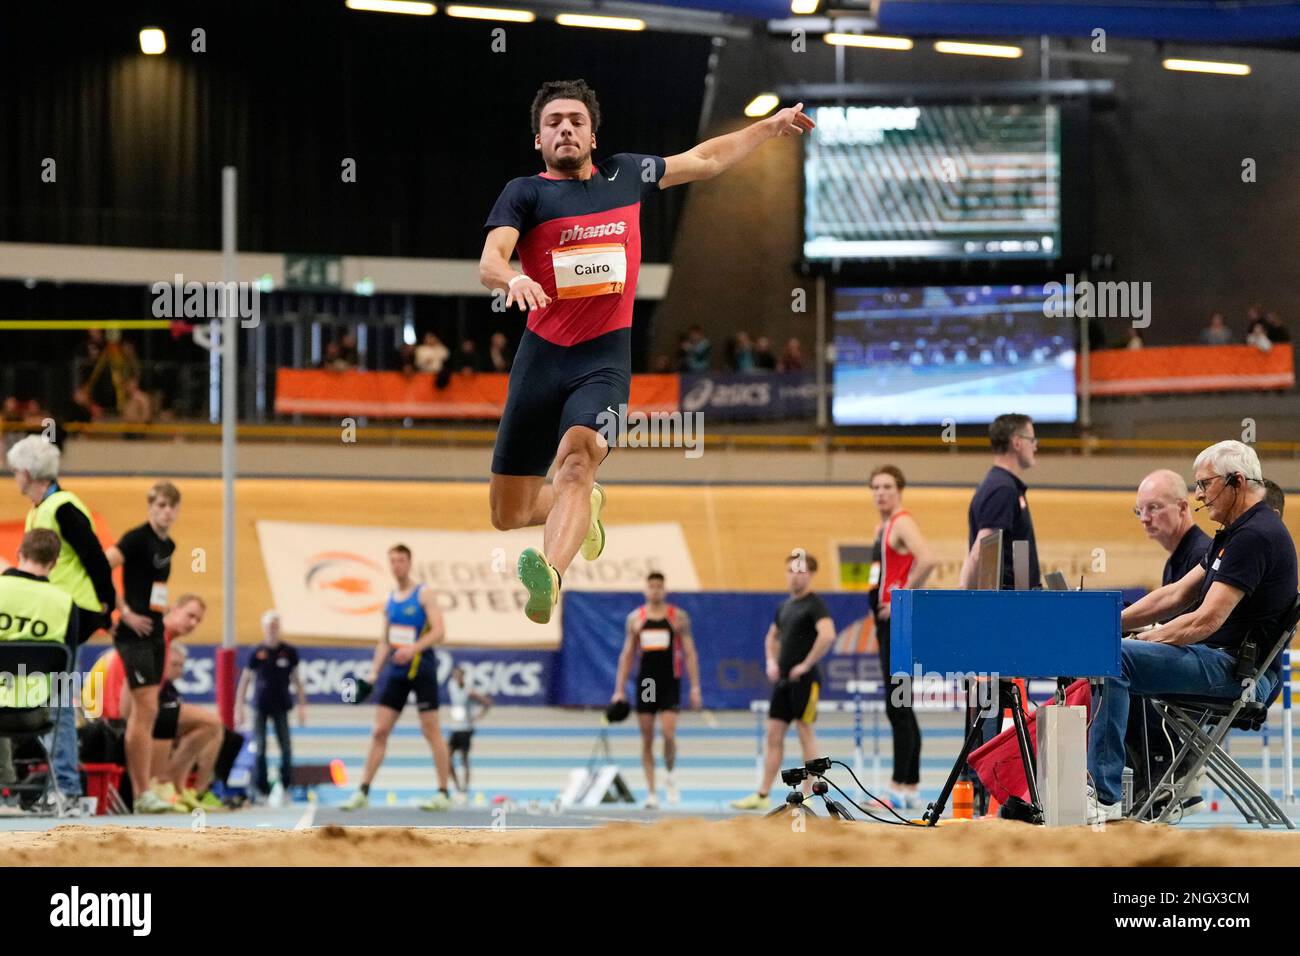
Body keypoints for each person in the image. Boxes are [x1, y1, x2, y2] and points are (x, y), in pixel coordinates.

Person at [480, 78, 812, 625]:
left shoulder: (628, 174)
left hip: (604, 365)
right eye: (553, 122)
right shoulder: (525, 193)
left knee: (577, 462)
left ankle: (551, 575)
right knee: (507, 513)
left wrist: (766, 128)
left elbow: (704, 160)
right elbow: (492, 257)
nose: (565, 128)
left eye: (576, 120)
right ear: (538, 139)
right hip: (540, 362)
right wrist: (509, 280)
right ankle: (587, 512)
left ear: (593, 132)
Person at [1088, 440, 1298, 823]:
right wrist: (1107, 625)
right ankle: (1122, 789)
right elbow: (1175, 594)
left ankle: (1101, 796)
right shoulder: (1234, 532)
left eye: (1204, 484)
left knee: (1111, 658)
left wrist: (1141, 640)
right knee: (1110, 648)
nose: (1199, 495)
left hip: (1237, 672)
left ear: (1235, 481)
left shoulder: (1255, 535)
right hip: (1219, 661)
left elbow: (1206, 620)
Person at [7, 435, 114, 810]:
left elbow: (95, 555)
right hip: (47, 613)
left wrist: (107, 604)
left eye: (14, 471)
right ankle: (43, 780)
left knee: (58, 696)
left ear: (26, 472)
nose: (12, 477)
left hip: (70, 612)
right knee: (40, 690)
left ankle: (65, 785)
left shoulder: (63, 507)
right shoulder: (41, 508)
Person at [1127, 470, 1213, 815]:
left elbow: (1191, 628)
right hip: (1190, 659)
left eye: (1154, 508)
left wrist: (1140, 637)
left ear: (1182, 507)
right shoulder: (1176, 558)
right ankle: (1157, 778)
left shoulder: (1201, 553)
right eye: (1139, 511)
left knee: (1121, 671)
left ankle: (1168, 776)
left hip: (1208, 667)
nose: (1145, 518)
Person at [342, 544, 452, 811]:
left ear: (409, 563)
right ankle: (362, 791)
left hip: (421, 668)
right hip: (397, 671)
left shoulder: (424, 594)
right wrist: (372, 673)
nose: (396, 565)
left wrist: (413, 648)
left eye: (401, 560)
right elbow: (384, 641)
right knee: (379, 731)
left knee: (431, 730)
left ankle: (442, 793)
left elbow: (439, 631)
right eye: (392, 560)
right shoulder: (391, 600)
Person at [731, 552, 836, 810]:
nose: (795, 575)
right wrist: (771, 662)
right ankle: (762, 794)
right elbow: (771, 637)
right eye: (791, 570)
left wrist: (806, 664)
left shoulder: (815, 604)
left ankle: (809, 794)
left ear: (810, 574)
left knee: (804, 732)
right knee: (773, 734)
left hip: (805, 681)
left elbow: (828, 635)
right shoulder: (785, 607)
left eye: (800, 571)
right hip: (783, 682)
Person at [103, 480, 180, 813]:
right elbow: (102, 566)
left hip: (155, 630)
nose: (166, 511)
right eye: (160, 505)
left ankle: (141, 790)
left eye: (171, 506)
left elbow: (155, 587)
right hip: (133, 632)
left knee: (145, 710)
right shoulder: (136, 538)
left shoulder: (169, 545)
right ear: (150, 507)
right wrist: (123, 611)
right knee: (146, 708)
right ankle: (140, 791)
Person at [867, 466, 937, 809]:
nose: (880, 493)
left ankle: (898, 785)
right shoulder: (883, 526)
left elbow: (928, 559)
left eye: (887, 487)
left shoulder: (902, 523)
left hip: (897, 624)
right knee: (901, 703)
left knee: (898, 703)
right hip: (888, 625)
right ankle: (909, 785)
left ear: (899, 490)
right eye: (875, 487)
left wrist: (901, 598)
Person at [0, 530, 79, 812]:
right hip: (36, 714)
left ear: (20, 553)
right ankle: (65, 790)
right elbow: (66, 670)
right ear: (54, 563)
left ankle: (4, 788)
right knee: (60, 690)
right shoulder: (64, 603)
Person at [610, 572, 701, 808]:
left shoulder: (678, 617)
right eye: (651, 587)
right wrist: (619, 689)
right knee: (647, 737)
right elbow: (627, 654)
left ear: (665, 590)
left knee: (669, 734)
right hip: (647, 683)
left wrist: (695, 687)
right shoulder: (636, 619)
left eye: (659, 587)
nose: (655, 591)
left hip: (670, 681)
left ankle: (669, 775)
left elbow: (690, 653)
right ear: (645, 590)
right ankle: (651, 792)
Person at [236, 610, 305, 805]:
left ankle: (285, 786)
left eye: (275, 625)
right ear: (264, 628)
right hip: (260, 705)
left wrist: (302, 707)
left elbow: (298, 681)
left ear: (279, 627)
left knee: (286, 748)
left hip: (282, 705)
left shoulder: (289, 652)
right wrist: (238, 708)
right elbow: (245, 680)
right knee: (260, 748)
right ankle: (262, 790)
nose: (273, 629)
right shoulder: (256, 652)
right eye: (269, 626)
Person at [444, 665, 492, 798]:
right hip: (454, 727)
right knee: (447, 758)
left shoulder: (469, 690)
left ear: (462, 676)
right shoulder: (451, 686)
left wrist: (477, 717)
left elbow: (487, 702)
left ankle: (465, 788)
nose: (455, 677)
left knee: (464, 759)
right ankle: (457, 786)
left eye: (457, 675)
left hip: (465, 729)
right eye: (453, 675)